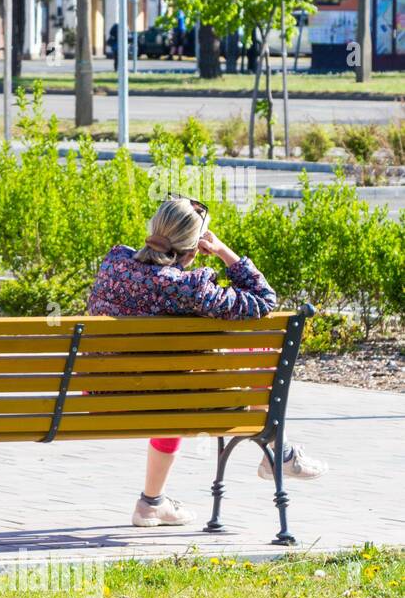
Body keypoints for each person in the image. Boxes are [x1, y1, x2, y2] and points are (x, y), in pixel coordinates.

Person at [88, 194, 327, 528]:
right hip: (174, 400)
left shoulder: (115, 263)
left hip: (104, 400)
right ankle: (280, 451)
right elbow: (264, 300)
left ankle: (151, 504)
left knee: (175, 379)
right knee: (240, 357)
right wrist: (224, 252)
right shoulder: (190, 286)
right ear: (192, 248)